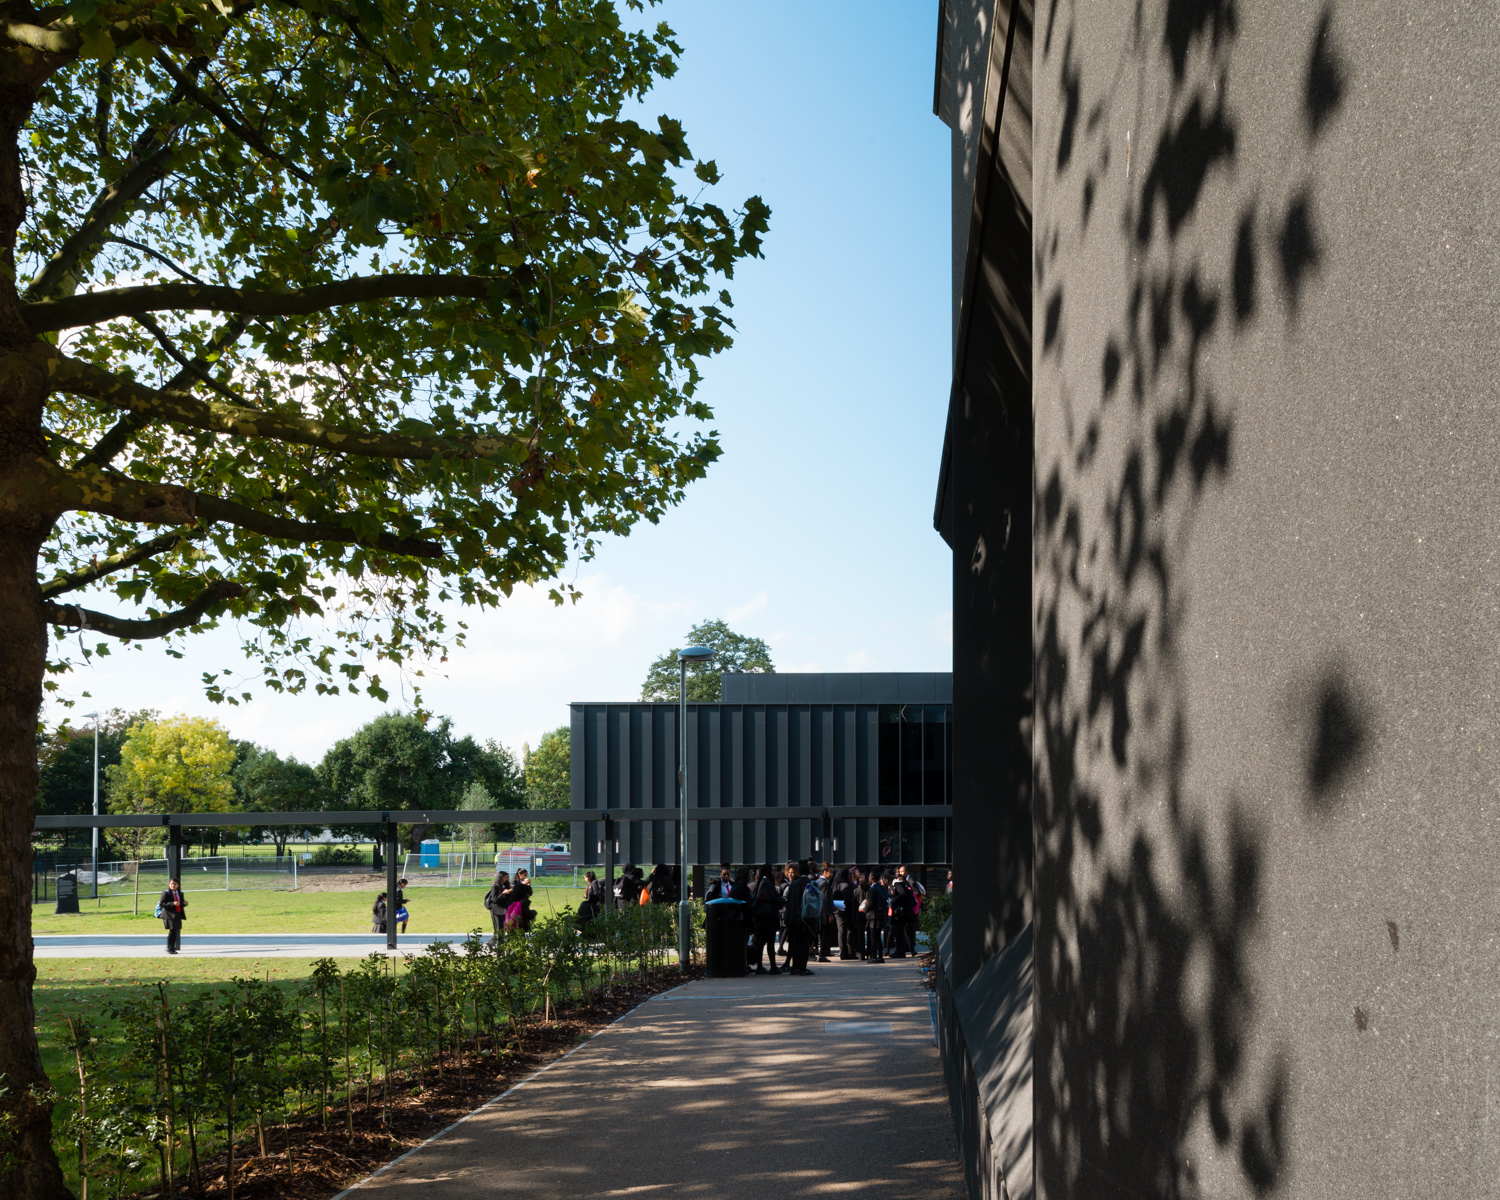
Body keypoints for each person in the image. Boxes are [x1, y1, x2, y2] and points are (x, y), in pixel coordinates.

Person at [782, 861, 814, 975]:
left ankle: (794, 967)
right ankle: (802, 967)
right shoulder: (810, 884)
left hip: (792, 919)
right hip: (805, 919)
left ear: (799, 871)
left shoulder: (793, 884)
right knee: (804, 944)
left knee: (794, 943)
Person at [749, 867, 781, 974]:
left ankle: (762, 966)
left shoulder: (765, 882)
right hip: (767, 918)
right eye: (772, 870)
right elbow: (771, 898)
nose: (774, 872)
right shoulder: (765, 883)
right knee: (767, 942)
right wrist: (781, 899)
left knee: (762, 942)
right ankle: (770, 966)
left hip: (765, 917)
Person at [832, 867, 859, 960]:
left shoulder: (835, 885)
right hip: (847, 911)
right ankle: (851, 952)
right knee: (850, 931)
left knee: (841, 932)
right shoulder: (846, 886)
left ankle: (843, 953)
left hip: (837, 911)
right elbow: (847, 900)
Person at [159, 878, 186, 954]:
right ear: (169, 885)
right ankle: (170, 948)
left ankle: (172, 947)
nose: (173, 885)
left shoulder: (180, 893)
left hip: (177, 914)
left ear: (178, 885)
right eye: (171, 884)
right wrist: (172, 903)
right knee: (172, 930)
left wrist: (184, 903)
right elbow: (162, 904)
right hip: (168, 915)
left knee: (175, 931)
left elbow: (180, 904)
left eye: (175, 884)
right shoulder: (166, 893)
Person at [816, 865, 836, 962]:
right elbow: (825, 899)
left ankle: (823, 954)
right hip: (824, 913)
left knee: (822, 934)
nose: (832, 874)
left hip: (819, 912)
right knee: (824, 934)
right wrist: (830, 914)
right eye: (830, 872)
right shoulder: (824, 883)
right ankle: (822, 955)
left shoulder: (818, 881)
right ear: (825, 872)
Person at [484, 871, 511, 942]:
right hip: (497, 911)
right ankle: (499, 948)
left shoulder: (505, 885)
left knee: (504, 929)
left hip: (504, 910)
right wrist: (503, 893)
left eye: (508, 877)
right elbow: (495, 899)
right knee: (499, 930)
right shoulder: (495, 886)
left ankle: (491, 944)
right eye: (505, 877)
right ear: (500, 878)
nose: (507, 879)